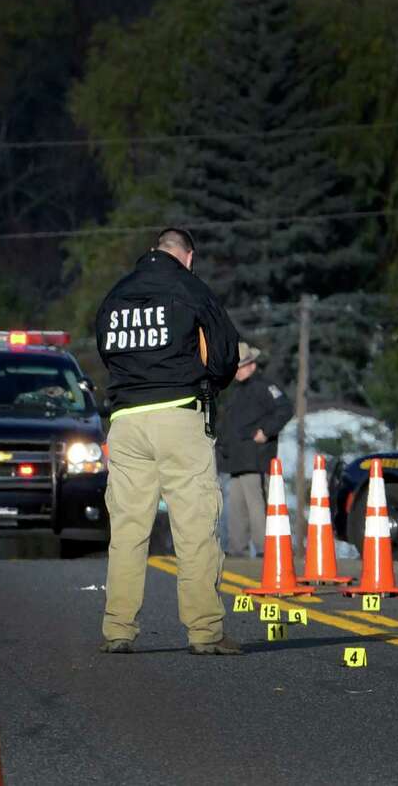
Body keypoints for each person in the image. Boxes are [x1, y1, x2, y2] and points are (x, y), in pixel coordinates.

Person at [95, 227, 241, 655]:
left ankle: (118, 629)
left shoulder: (117, 294)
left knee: (128, 529)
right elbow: (225, 354)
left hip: (126, 421)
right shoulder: (190, 288)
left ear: (153, 251)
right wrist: (208, 383)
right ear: (188, 257)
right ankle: (204, 633)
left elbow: (106, 350)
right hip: (179, 416)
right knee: (194, 528)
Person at [217, 341, 293, 557]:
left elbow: (285, 409)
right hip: (236, 460)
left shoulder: (264, 387)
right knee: (236, 507)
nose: (237, 371)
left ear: (252, 365)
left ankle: (264, 551)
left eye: (240, 366)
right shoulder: (236, 392)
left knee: (256, 506)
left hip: (255, 458)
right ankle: (237, 550)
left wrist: (266, 431)